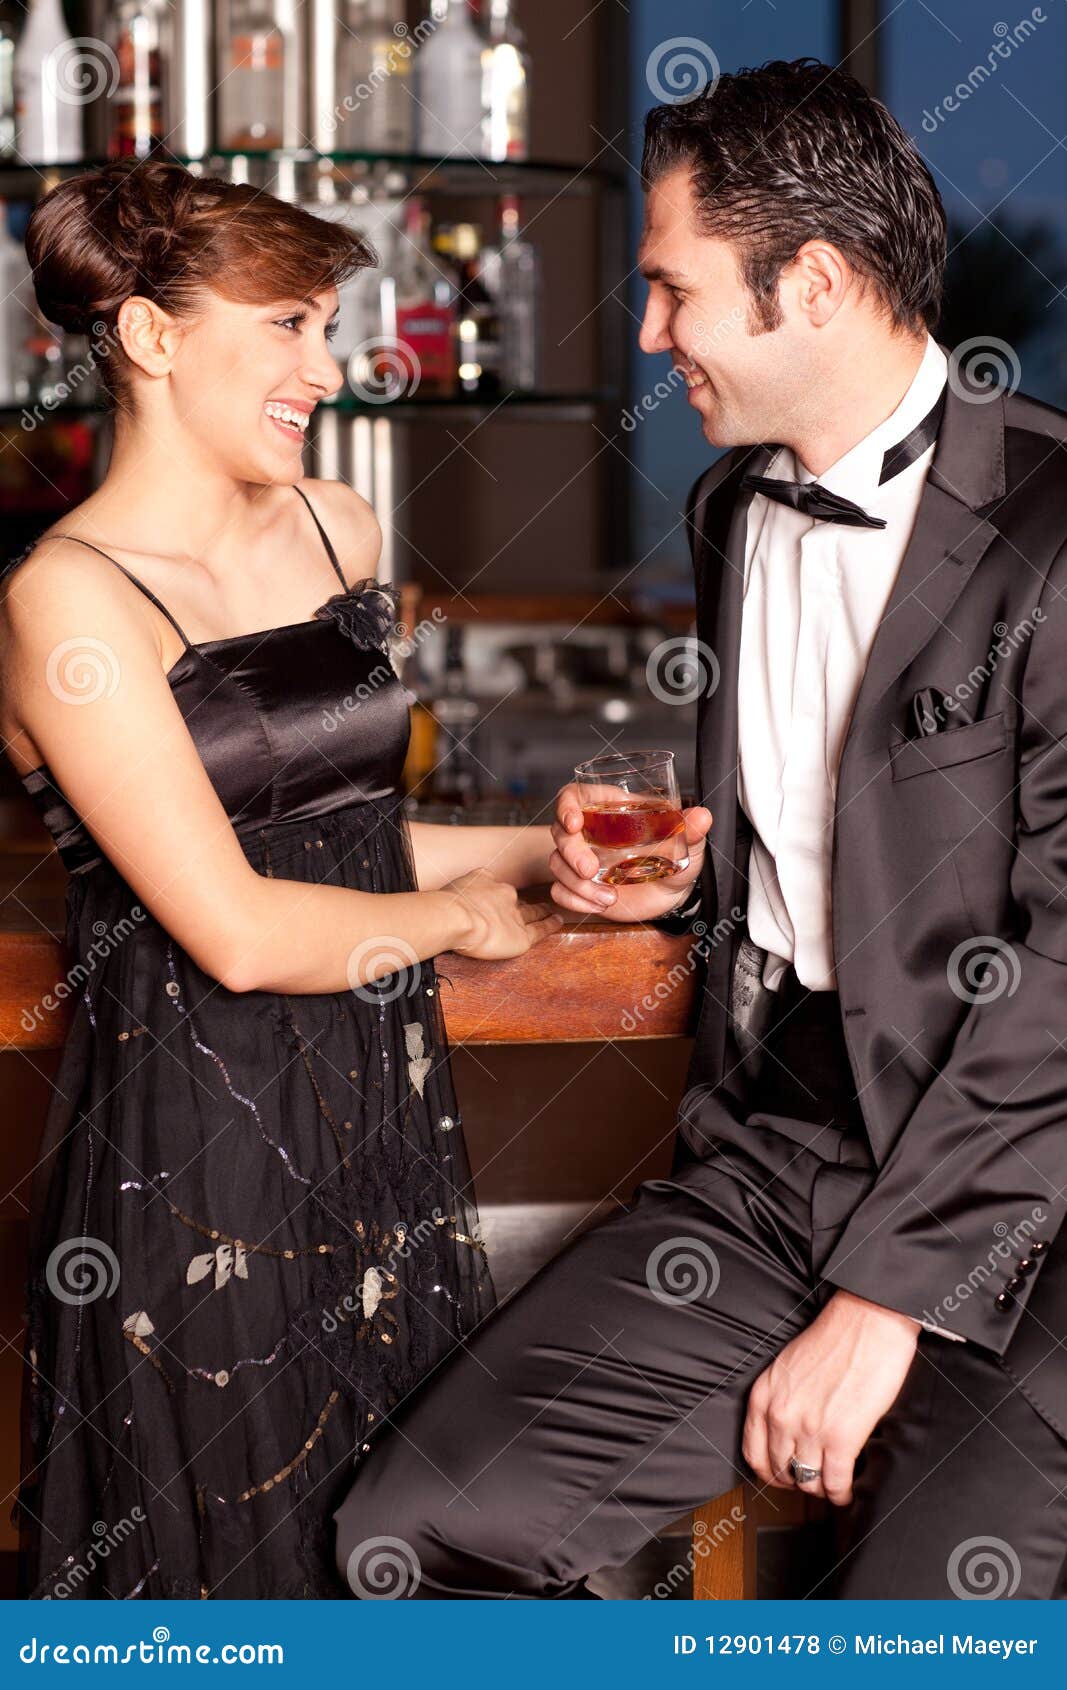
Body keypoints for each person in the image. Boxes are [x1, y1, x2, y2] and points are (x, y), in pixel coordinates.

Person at [332, 58, 1067, 1600]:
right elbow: (837, 823)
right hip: (777, 1152)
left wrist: (886, 1299)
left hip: (1026, 1201)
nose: (649, 335)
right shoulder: (734, 509)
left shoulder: (1054, 526)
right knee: (420, 1532)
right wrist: (687, 879)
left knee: (919, 1639)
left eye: (674, 290)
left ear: (816, 282)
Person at [0, 158, 561, 1599]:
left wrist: (544, 849)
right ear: (150, 335)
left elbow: (342, 841)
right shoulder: (69, 597)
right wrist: (461, 921)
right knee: (238, 1576)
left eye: (327, 327)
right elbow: (238, 925)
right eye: (288, 327)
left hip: (378, 1121)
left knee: (401, 1559)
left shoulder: (337, 529)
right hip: (203, 1148)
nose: (327, 367)